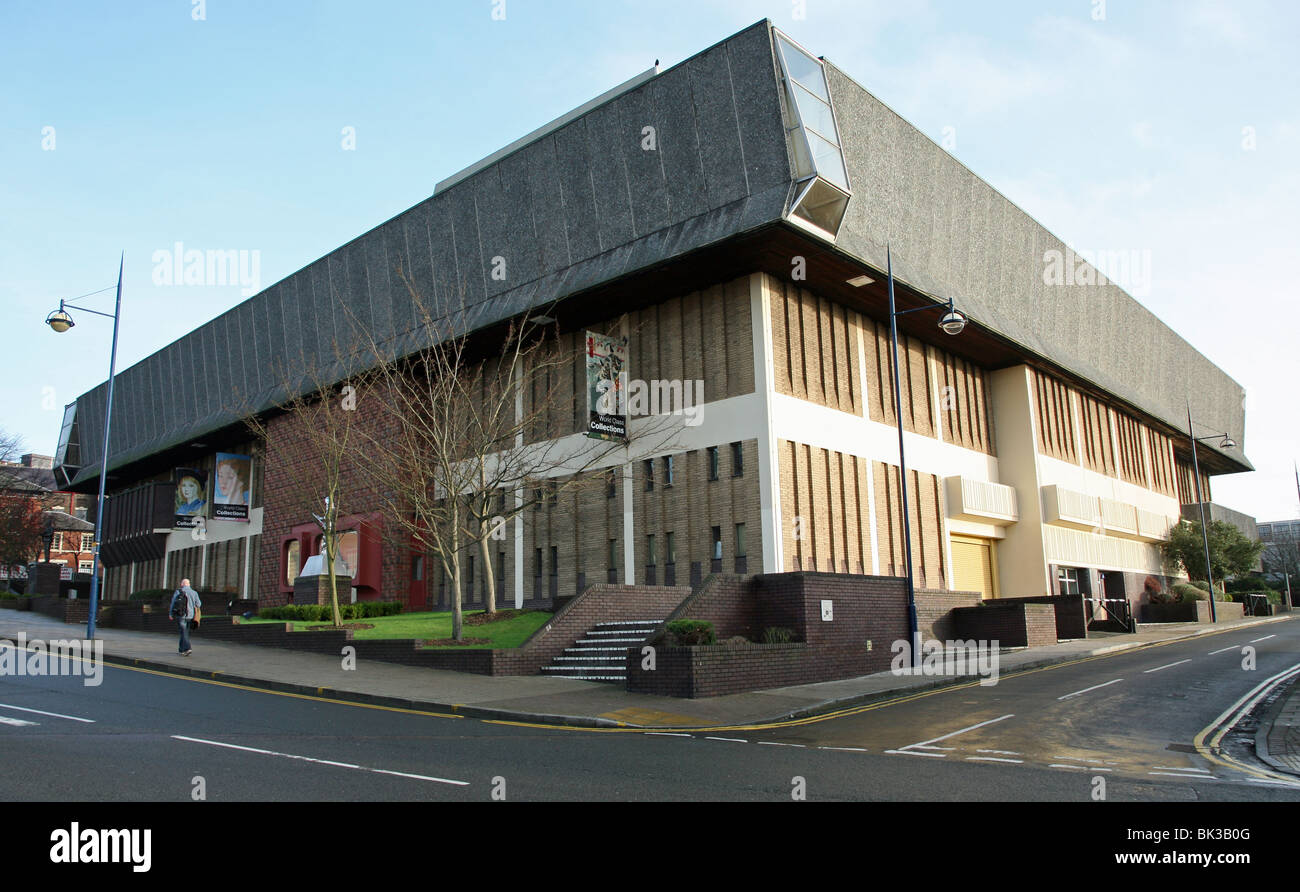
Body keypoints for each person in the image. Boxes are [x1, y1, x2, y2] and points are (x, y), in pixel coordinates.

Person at [169, 578, 202, 656]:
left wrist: (170, 614)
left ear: (182, 584)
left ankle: (187, 648)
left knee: (183, 632)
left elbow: (173, 603)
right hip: (190, 616)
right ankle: (181, 650)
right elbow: (199, 604)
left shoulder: (178, 592)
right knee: (184, 632)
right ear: (189, 584)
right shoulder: (194, 593)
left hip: (181, 615)